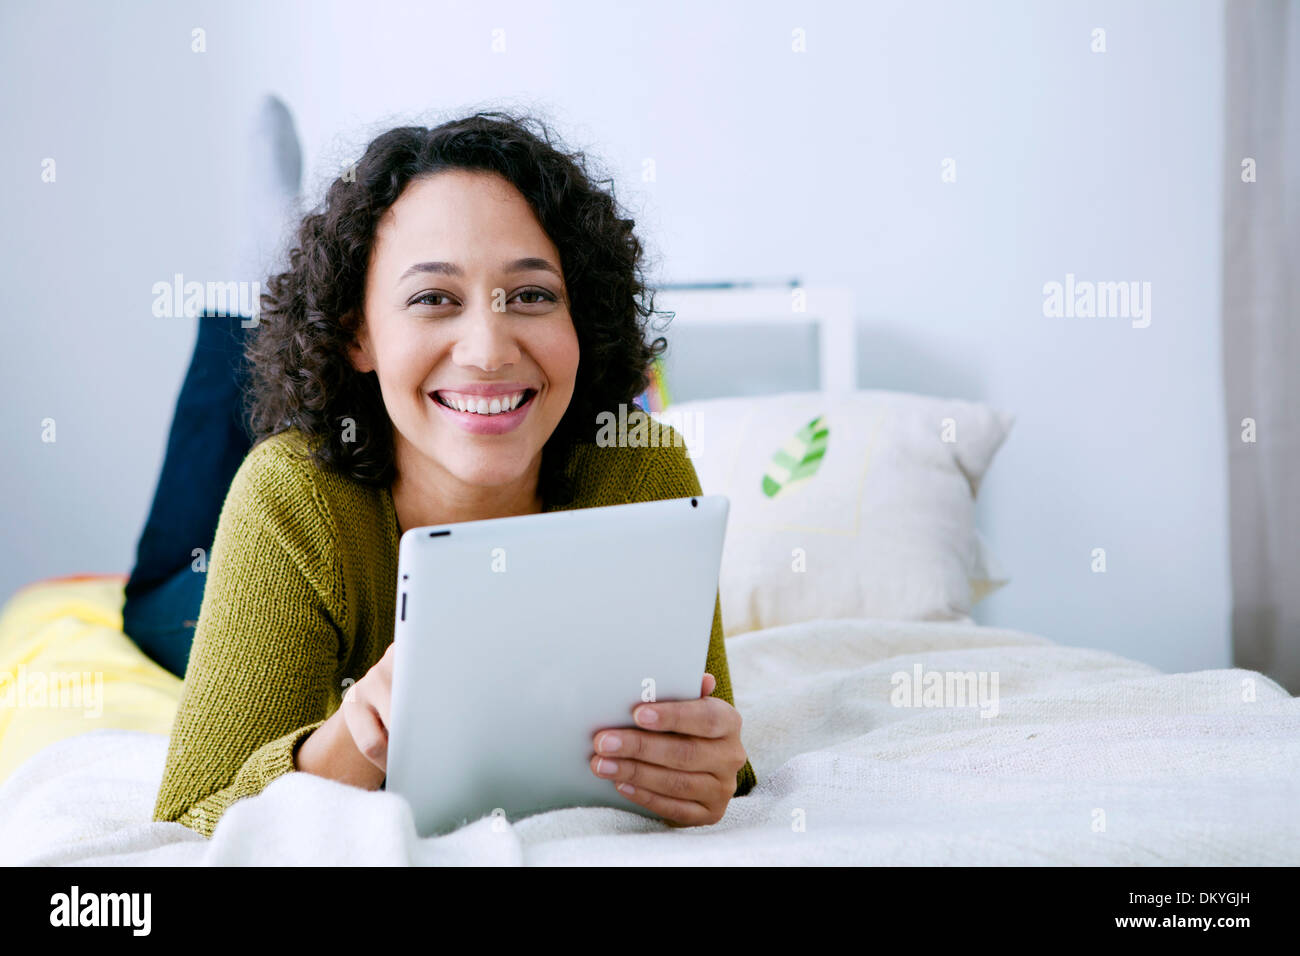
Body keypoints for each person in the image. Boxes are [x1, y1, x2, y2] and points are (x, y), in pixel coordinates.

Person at [146, 107, 757, 839]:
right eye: (434, 299)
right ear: (357, 332)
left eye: (532, 295)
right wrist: (353, 738)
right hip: (211, 574)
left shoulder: (640, 466)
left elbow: (718, 758)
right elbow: (193, 812)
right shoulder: (287, 498)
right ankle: (242, 286)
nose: (489, 351)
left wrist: (713, 766)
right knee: (163, 586)